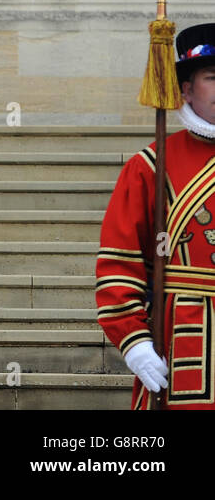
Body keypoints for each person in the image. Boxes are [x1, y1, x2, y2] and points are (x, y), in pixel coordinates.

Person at [97, 22, 215, 409]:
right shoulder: (149, 166)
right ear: (185, 89)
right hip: (185, 342)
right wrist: (135, 340)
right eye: (213, 78)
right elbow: (119, 261)